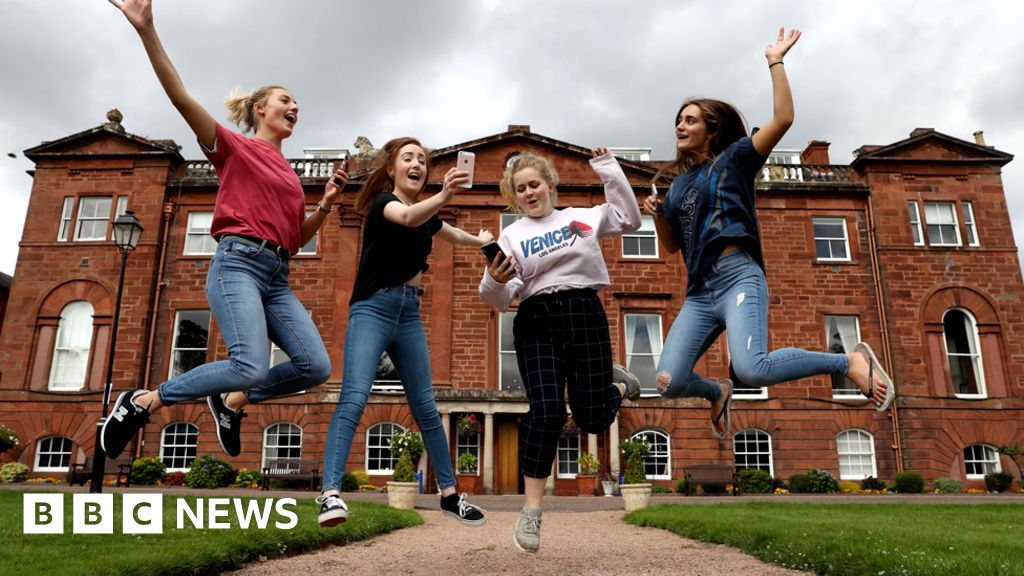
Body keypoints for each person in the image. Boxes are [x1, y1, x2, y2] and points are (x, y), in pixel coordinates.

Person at [101, 0, 344, 460]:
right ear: (259, 108)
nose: (295, 106)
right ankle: (143, 401)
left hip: (276, 273)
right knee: (249, 363)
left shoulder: (290, 175)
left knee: (316, 366)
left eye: (296, 103)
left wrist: (326, 208)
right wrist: (147, 30)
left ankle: (230, 400)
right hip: (238, 265)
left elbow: (293, 239)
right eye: (285, 99)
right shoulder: (233, 147)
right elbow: (180, 97)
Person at [645, 28, 894, 442]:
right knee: (668, 382)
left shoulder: (735, 159)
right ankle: (716, 392)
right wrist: (658, 215)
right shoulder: (676, 188)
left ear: (712, 128)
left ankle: (848, 362)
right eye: (678, 119)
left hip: (738, 275)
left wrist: (775, 61)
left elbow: (783, 119)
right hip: (699, 293)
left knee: (751, 367)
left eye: (689, 119)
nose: (679, 125)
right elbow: (672, 246)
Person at [317, 137, 489, 528]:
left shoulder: (426, 213)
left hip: (409, 312)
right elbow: (409, 219)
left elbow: (451, 234)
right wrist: (445, 193)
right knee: (354, 397)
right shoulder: (383, 204)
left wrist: (481, 241)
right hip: (373, 308)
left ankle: (449, 494)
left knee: (427, 407)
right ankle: (329, 495)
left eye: (423, 160)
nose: (417, 164)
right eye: (408, 158)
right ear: (392, 168)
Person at [479, 148, 643, 553]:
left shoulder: (582, 218)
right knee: (547, 411)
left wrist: (608, 168)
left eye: (534, 184)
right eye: (520, 190)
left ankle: (619, 388)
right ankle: (531, 512)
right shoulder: (512, 236)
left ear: (550, 185)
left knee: (592, 418)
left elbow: (630, 217)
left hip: (584, 310)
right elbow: (496, 299)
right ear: (515, 197)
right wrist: (497, 280)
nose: (529, 193)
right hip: (536, 319)